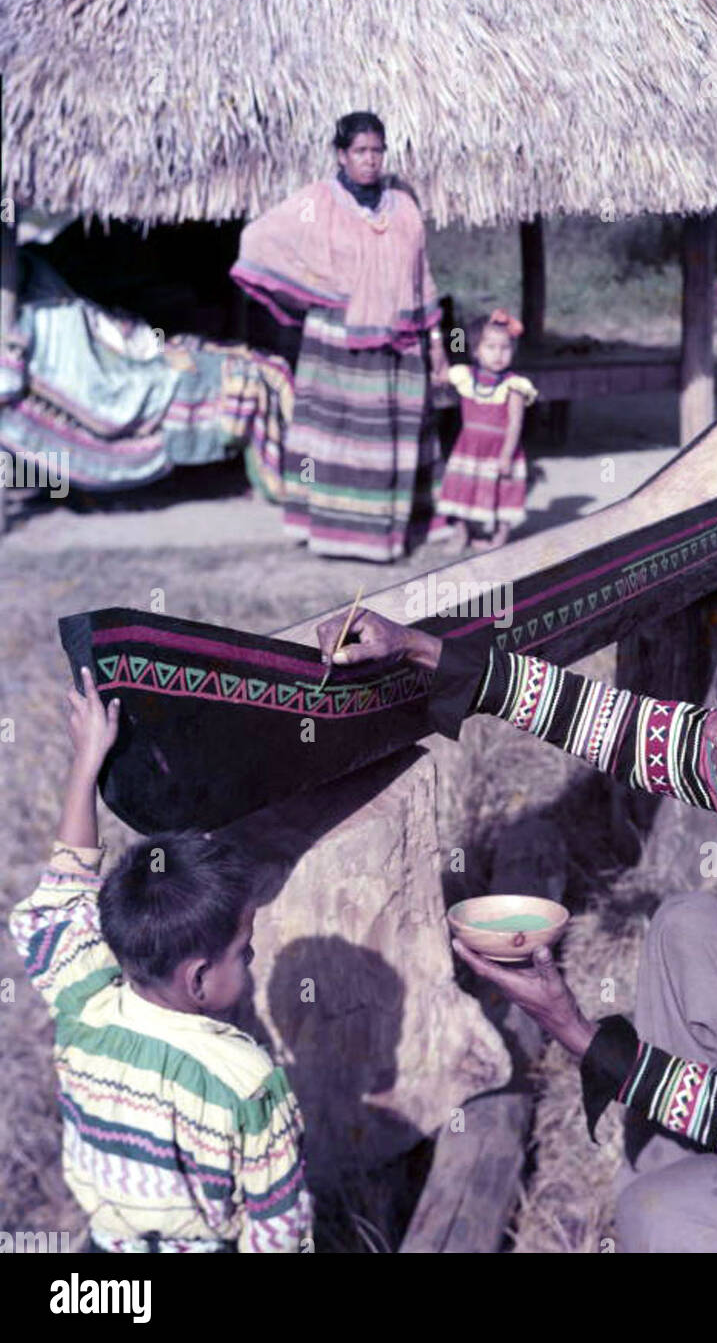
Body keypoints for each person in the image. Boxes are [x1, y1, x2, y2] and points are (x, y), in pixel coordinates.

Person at [314, 605, 717, 1253]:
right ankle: (671, 1187)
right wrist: (420, 649)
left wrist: (572, 1028)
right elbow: (626, 730)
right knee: (687, 927)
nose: (710, 730)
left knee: (661, 1218)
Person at [8, 668, 312, 1253]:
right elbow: (280, 1231)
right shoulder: (248, 1083)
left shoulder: (80, 999)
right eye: (243, 951)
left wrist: (86, 761)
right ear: (198, 978)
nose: (251, 959)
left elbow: (61, 895)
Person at [230, 110, 450, 562]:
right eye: (360, 151)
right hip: (336, 343)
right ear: (341, 154)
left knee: (392, 437)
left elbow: (420, 273)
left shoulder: (403, 205)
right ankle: (330, 533)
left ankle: (391, 533)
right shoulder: (318, 202)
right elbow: (259, 240)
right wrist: (320, 286)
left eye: (376, 151)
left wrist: (436, 341)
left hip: (398, 344)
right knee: (335, 439)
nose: (370, 160)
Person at [437, 309, 537, 550]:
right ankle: (461, 532)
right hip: (469, 448)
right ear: (475, 350)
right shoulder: (465, 376)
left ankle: (499, 537)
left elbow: (515, 423)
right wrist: (437, 339)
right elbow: (440, 374)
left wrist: (506, 455)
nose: (498, 354)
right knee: (462, 488)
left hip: (500, 449)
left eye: (505, 348)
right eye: (490, 347)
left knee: (504, 492)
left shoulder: (514, 385)